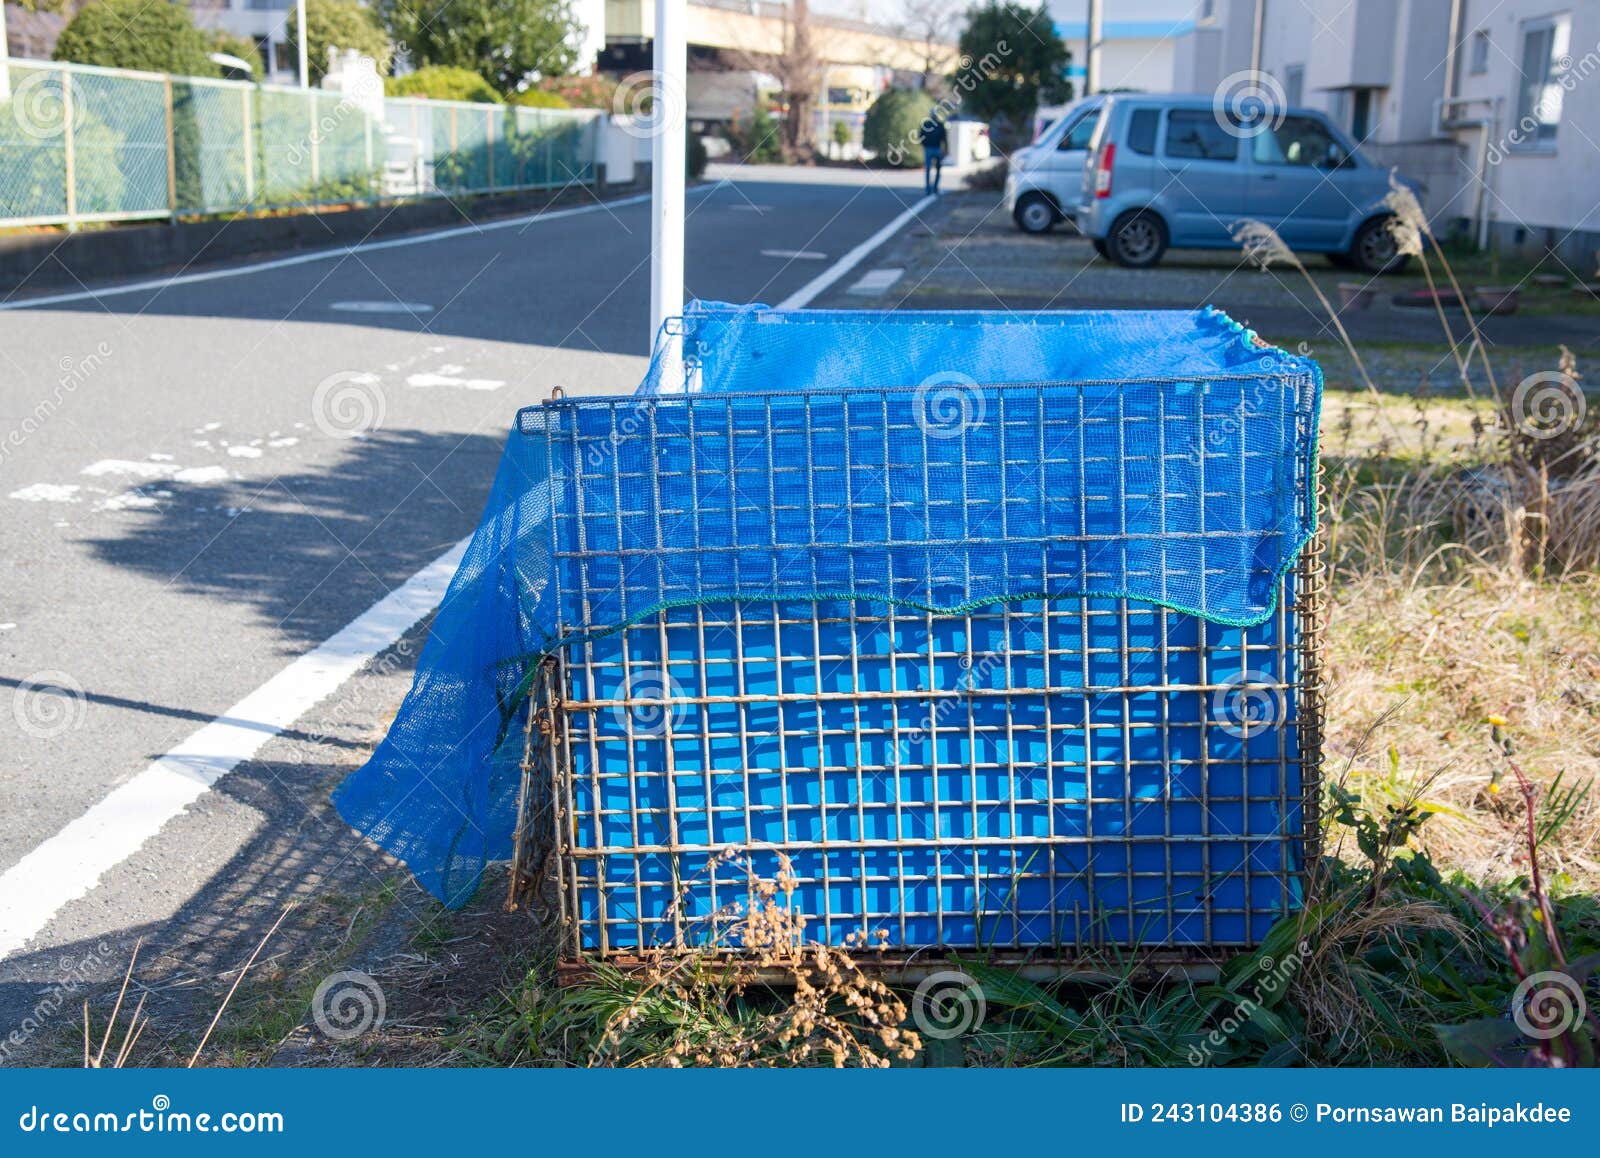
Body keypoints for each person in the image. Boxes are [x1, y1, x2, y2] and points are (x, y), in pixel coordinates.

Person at [918, 115, 948, 195]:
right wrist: (925, 145)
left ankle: (934, 188)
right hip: (930, 148)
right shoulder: (927, 124)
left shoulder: (939, 125)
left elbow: (944, 138)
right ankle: (929, 188)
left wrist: (945, 149)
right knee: (929, 169)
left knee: (936, 169)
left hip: (936, 149)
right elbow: (921, 136)